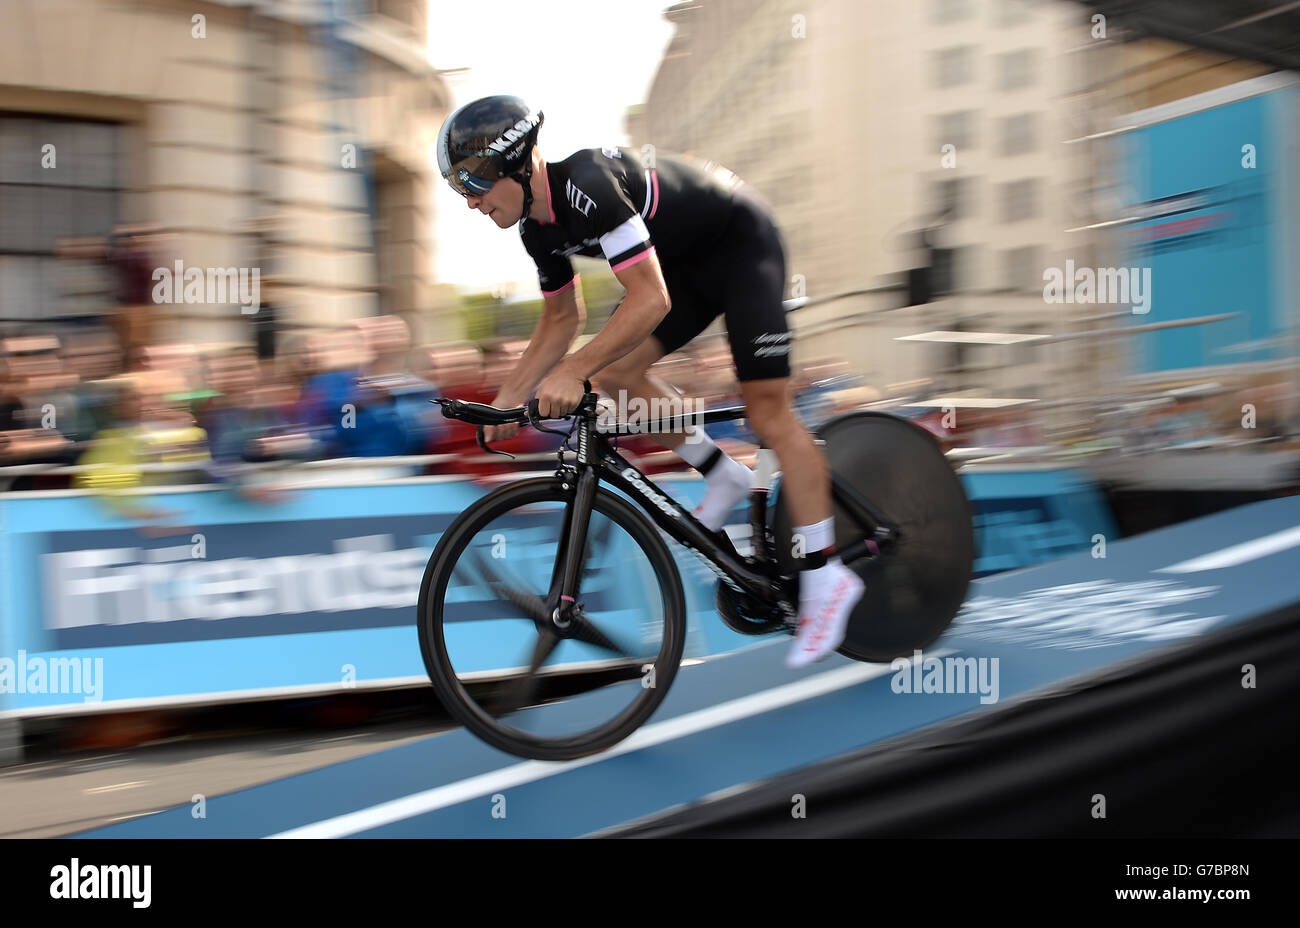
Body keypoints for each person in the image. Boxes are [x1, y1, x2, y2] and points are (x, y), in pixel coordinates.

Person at [437, 95, 864, 668]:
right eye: (460, 189)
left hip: (742, 247)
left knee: (768, 413)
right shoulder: (537, 232)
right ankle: (725, 477)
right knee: (615, 373)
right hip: (687, 268)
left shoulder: (585, 185)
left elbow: (650, 298)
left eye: (473, 184)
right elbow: (562, 320)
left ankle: (826, 576)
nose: (469, 202)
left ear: (513, 161)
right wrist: (507, 403)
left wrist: (569, 371)